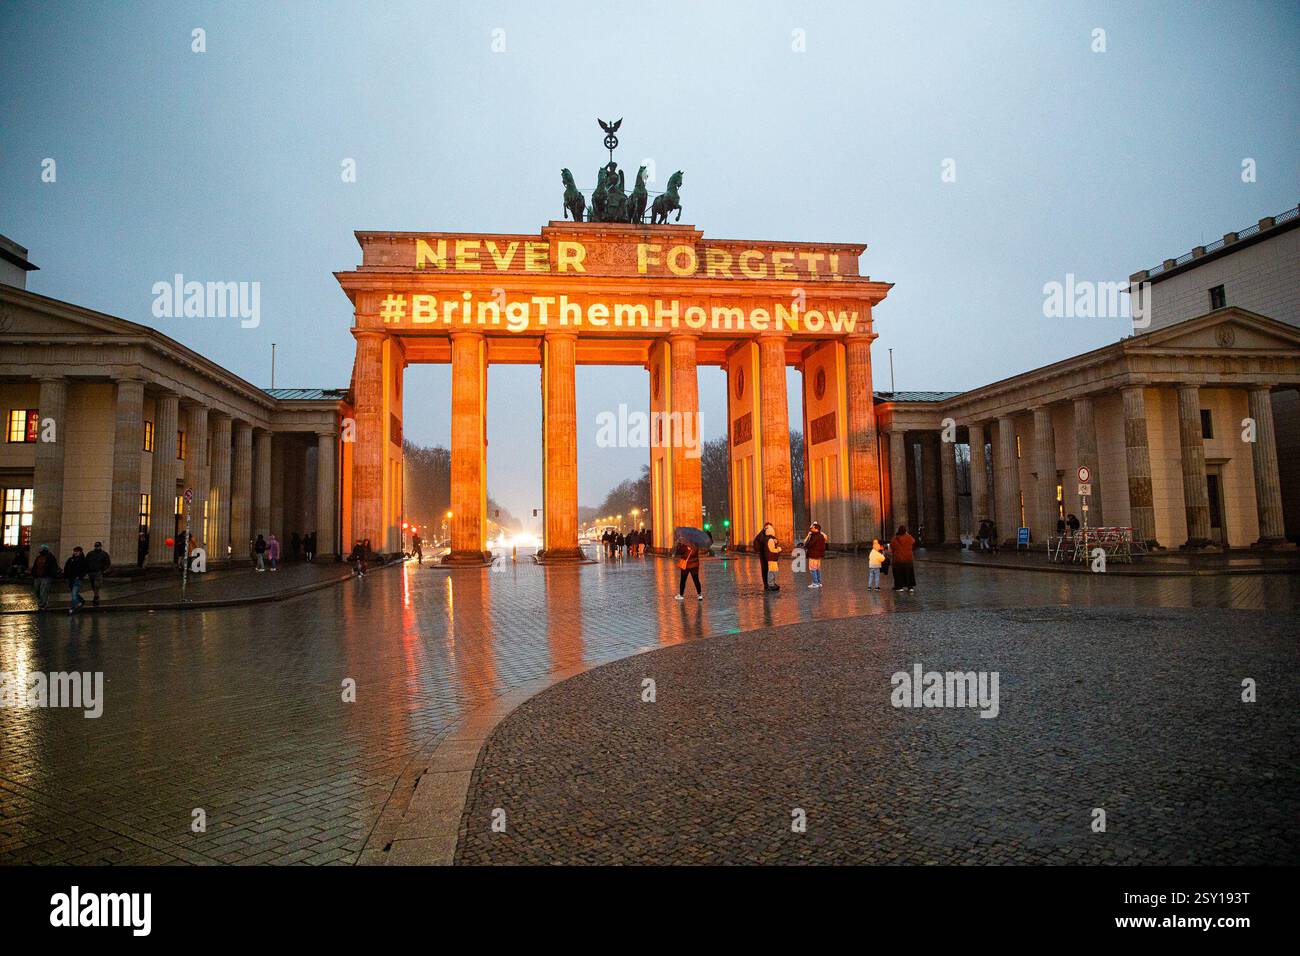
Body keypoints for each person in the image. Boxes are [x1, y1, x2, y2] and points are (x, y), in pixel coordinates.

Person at [674, 535, 703, 601]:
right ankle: (699, 595)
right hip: (695, 565)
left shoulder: (684, 545)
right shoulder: (696, 545)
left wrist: (679, 544)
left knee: (683, 580)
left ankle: (681, 595)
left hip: (686, 566)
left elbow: (678, 552)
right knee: (696, 580)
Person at [889, 524, 917, 593]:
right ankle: (910, 587)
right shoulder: (909, 537)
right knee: (909, 573)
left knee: (898, 573)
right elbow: (914, 541)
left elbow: (891, 547)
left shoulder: (895, 538)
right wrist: (907, 534)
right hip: (908, 559)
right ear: (905, 531)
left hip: (898, 559)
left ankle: (899, 587)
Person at [754, 522, 781, 591]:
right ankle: (767, 584)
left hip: (769, 554)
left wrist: (776, 541)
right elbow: (758, 542)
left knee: (771, 569)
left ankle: (771, 583)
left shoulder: (769, 535)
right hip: (763, 555)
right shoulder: (762, 534)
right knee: (765, 569)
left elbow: (774, 540)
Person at [30, 544, 57, 610]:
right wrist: (33, 573)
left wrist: (50, 574)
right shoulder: (38, 557)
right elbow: (35, 566)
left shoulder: (51, 557)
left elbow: (53, 567)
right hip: (38, 576)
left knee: (43, 591)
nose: (39, 550)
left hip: (46, 577)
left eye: (41, 549)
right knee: (37, 590)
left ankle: (43, 604)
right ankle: (42, 601)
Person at [801, 521, 828, 589]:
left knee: (813, 569)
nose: (811, 529)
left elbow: (808, 544)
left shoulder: (813, 536)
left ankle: (815, 583)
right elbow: (826, 537)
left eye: (813, 528)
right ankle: (819, 582)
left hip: (813, 555)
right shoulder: (821, 536)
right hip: (819, 555)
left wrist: (805, 544)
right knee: (818, 569)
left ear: (816, 529)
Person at [85, 541, 112, 607]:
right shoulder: (90, 554)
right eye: (96, 546)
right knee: (93, 585)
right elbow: (86, 562)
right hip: (91, 571)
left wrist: (104, 570)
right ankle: (96, 595)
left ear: (100, 546)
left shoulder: (104, 554)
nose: (97, 547)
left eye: (98, 546)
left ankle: (96, 597)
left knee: (97, 585)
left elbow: (107, 563)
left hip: (98, 571)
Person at [63, 545, 89, 614]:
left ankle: (72, 608)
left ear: (80, 552)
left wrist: (80, 576)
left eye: (77, 551)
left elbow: (85, 570)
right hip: (70, 579)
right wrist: (66, 576)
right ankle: (81, 601)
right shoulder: (70, 559)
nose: (75, 553)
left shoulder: (83, 561)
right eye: (74, 551)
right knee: (74, 593)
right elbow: (66, 568)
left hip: (77, 580)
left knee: (74, 594)